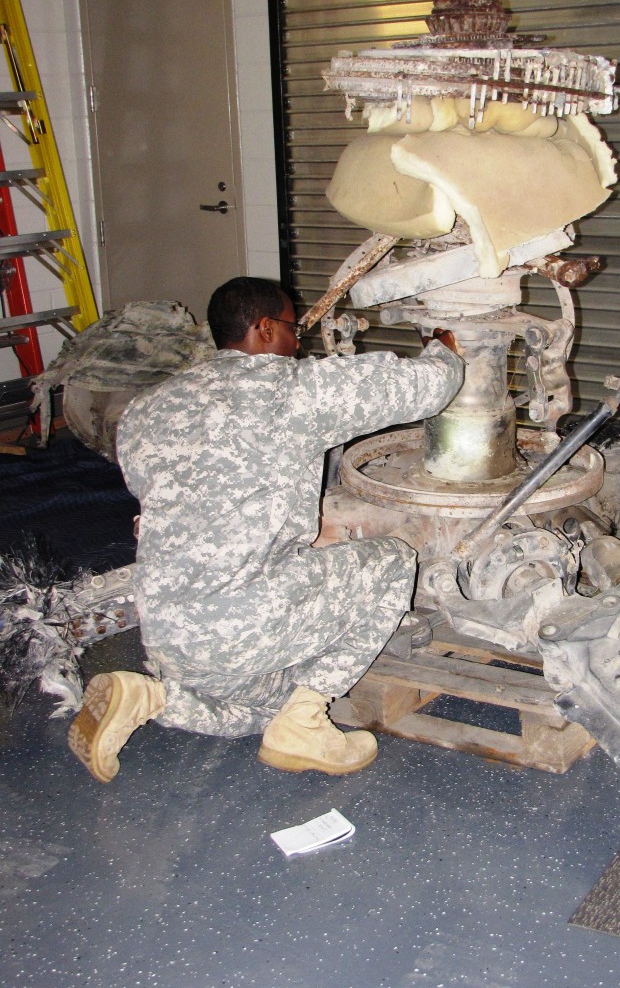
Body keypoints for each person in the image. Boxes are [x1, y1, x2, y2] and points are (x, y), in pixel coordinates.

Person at [67, 276, 464, 783]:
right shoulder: (290, 389)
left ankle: (152, 697)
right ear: (263, 328)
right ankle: (308, 717)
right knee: (391, 561)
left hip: (167, 628)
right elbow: (427, 388)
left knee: (259, 709)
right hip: (246, 621)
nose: (298, 343)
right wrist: (444, 349)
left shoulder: (152, 405)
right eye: (293, 329)